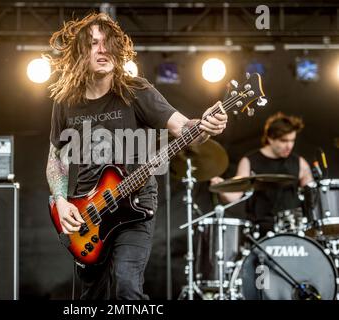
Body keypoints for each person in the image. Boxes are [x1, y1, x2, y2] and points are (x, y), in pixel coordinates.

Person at [46, 12, 228, 300]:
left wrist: (204, 126)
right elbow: (55, 157)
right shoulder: (66, 101)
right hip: (86, 215)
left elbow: (184, 127)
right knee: (91, 299)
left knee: (126, 286)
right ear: (80, 51)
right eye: (94, 44)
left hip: (134, 207)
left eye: (108, 43)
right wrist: (61, 200)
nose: (103, 50)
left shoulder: (137, 91)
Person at [210, 112, 313, 237]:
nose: (289, 146)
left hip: (293, 230)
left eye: (292, 140)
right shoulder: (249, 161)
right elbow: (234, 196)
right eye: (284, 140)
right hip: (260, 231)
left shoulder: (300, 163)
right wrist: (222, 188)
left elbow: (312, 196)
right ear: (270, 138)